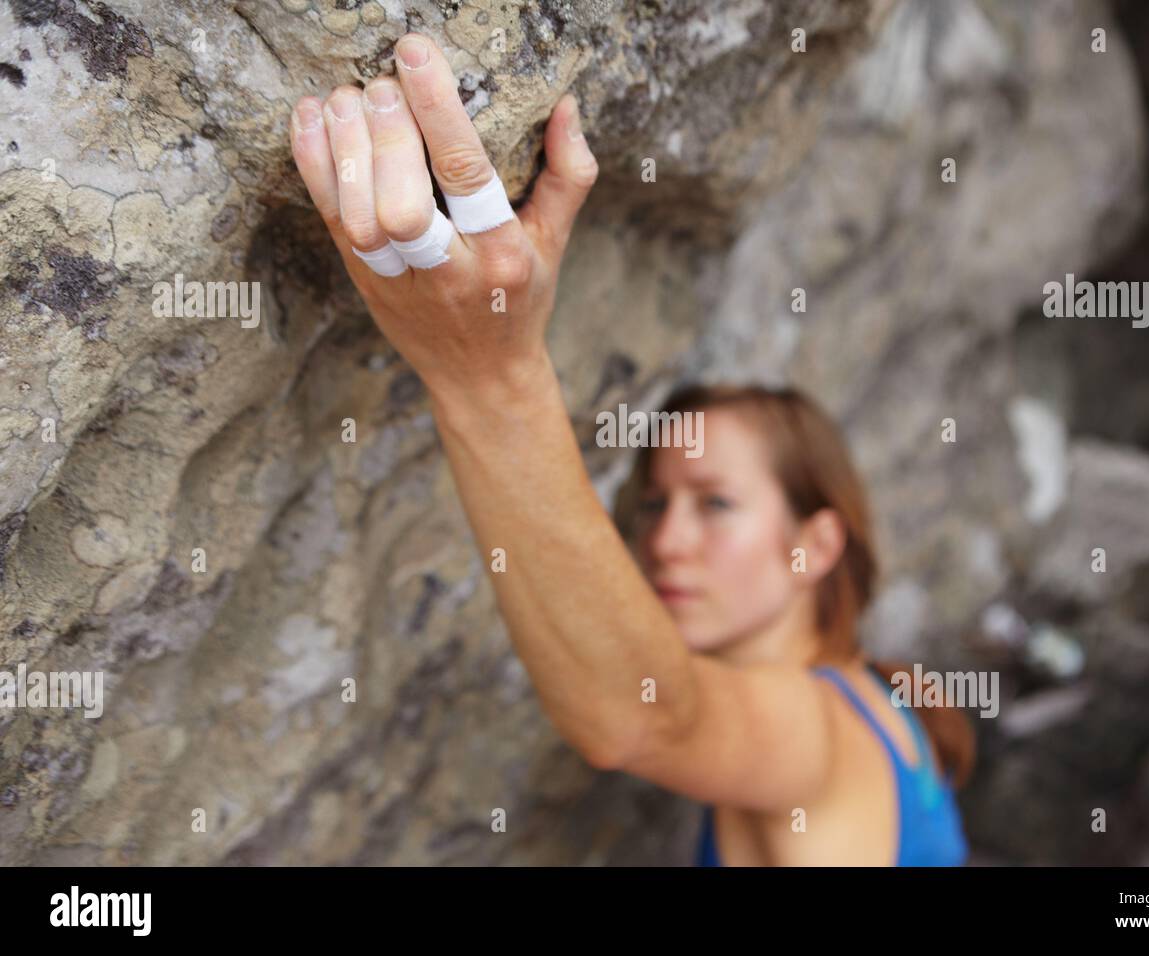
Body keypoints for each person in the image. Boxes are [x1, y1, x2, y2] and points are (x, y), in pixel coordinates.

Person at [289, 31, 973, 866]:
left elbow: (640, 720)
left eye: (715, 503)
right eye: (654, 504)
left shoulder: (819, 729)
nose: (664, 541)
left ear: (815, 545)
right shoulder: (877, 710)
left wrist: (488, 375)